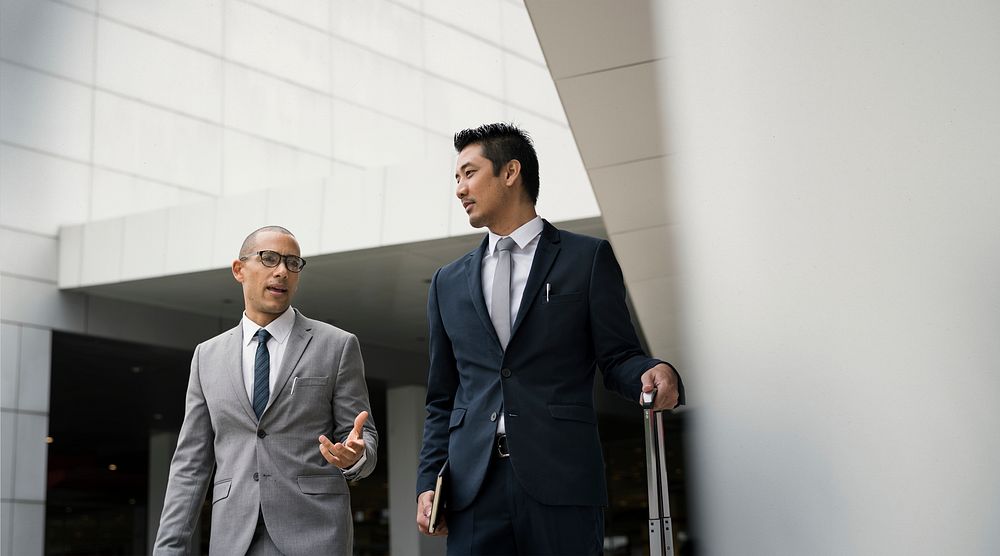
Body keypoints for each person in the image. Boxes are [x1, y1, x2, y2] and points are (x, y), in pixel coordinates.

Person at [415, 123, 684, 555]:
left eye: (469, 173)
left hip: (562, 481)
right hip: (472, 489)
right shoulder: (447, 282)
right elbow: (442, 397)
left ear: (510, 172)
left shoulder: (586, 259)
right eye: (457, 179)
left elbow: (617, 356)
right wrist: (429, 481)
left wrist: (655, 371)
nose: (460, 189)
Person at [154, 226, 378, 556]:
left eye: (292, 263)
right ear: (239, 270)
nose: (282, 271)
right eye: (269, 258)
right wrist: (168, 549)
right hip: (233, 538)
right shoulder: (207, 356)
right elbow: (190, 463)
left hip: (315, 536)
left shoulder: (337, 345)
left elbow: (362, 435)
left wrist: (355, 455)